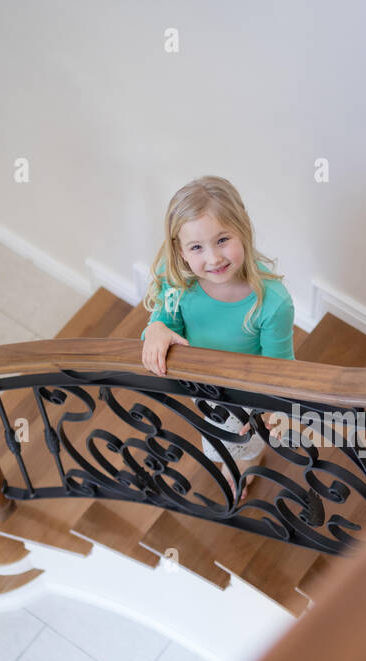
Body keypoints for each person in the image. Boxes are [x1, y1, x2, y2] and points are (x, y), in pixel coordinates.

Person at [139, 176, 295, 505]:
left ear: (244, 230)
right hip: (205, 388)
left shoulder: (273, 302)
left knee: (245, 445)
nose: (213, 259)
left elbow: (278, 369)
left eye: (222, 239)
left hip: (247, 397)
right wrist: (155, 328)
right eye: (197, 247)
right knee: (215, 437)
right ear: (180, 251)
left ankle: (248, 466)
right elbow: (166, 320)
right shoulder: (176, 277)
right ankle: (228, 459)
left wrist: (275, 408)